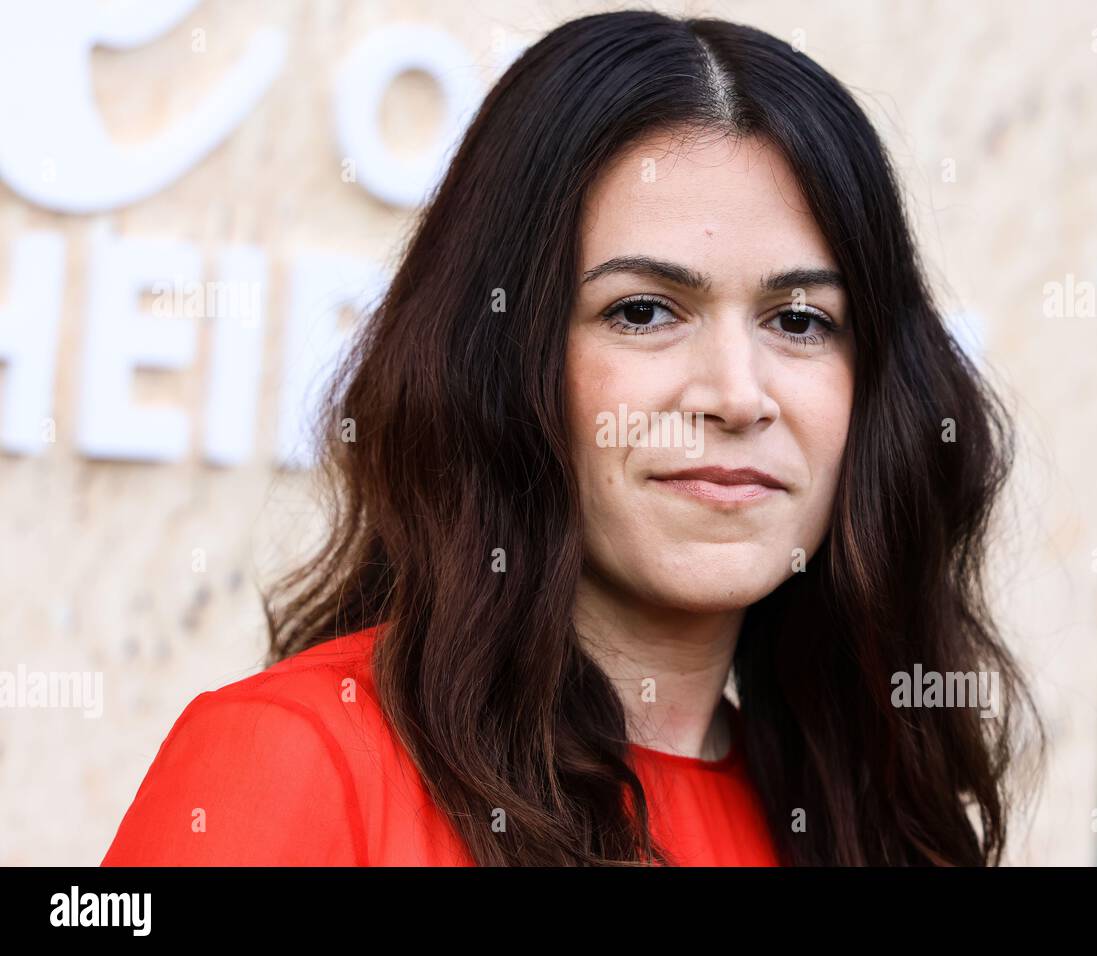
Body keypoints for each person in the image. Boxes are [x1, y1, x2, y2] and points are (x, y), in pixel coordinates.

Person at [102, 9, 1041, 867]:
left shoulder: (872, 822)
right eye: (643, 311)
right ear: (503, 361)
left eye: (800, 321)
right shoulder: (297, 759)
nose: (738, 395)